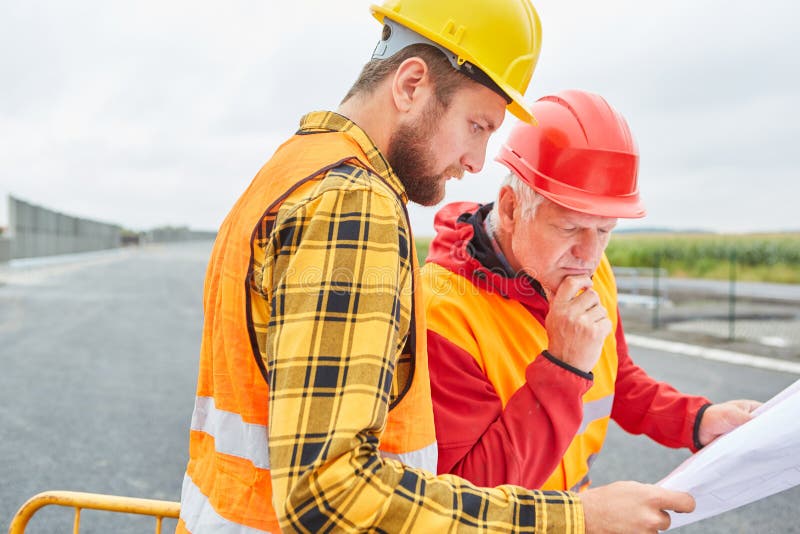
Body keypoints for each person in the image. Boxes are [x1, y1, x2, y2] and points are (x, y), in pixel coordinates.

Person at [176, 1, 696, 531]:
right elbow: (329, 494)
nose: (476, 161)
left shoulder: (290, 169)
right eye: (477, 125)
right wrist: (575, 519)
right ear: (411, 84)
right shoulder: (353, 204)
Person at [422, 89, 762, 496]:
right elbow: (466, 498)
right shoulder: (443, 312)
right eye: (569, 228)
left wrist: (698, 419)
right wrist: (564, 367)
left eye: (605, 231)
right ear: (511, 208)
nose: (589, 254)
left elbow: (619, 379)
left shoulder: (591, 269)